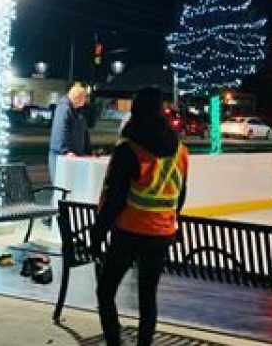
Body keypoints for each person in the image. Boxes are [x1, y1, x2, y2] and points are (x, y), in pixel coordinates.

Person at [92, 87, 189, 346]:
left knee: (105, 292)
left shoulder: (129, 150)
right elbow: (180, 195)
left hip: (129, 232)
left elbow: (114, 199)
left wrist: (98, 233)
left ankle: (114, 342)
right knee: (148, 297)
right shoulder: (180, 150)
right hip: (162, 234)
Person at [48, 82, 91, 186]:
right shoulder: (64, 108)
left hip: (73, 157)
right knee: (62, 187)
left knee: (71, 187)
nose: (86, 100)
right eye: (84, 97)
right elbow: (60, 130)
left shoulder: (76, 110)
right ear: (77, 98)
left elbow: (84, 132)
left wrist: (88, 151)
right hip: (62, 158)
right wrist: (65, 151)